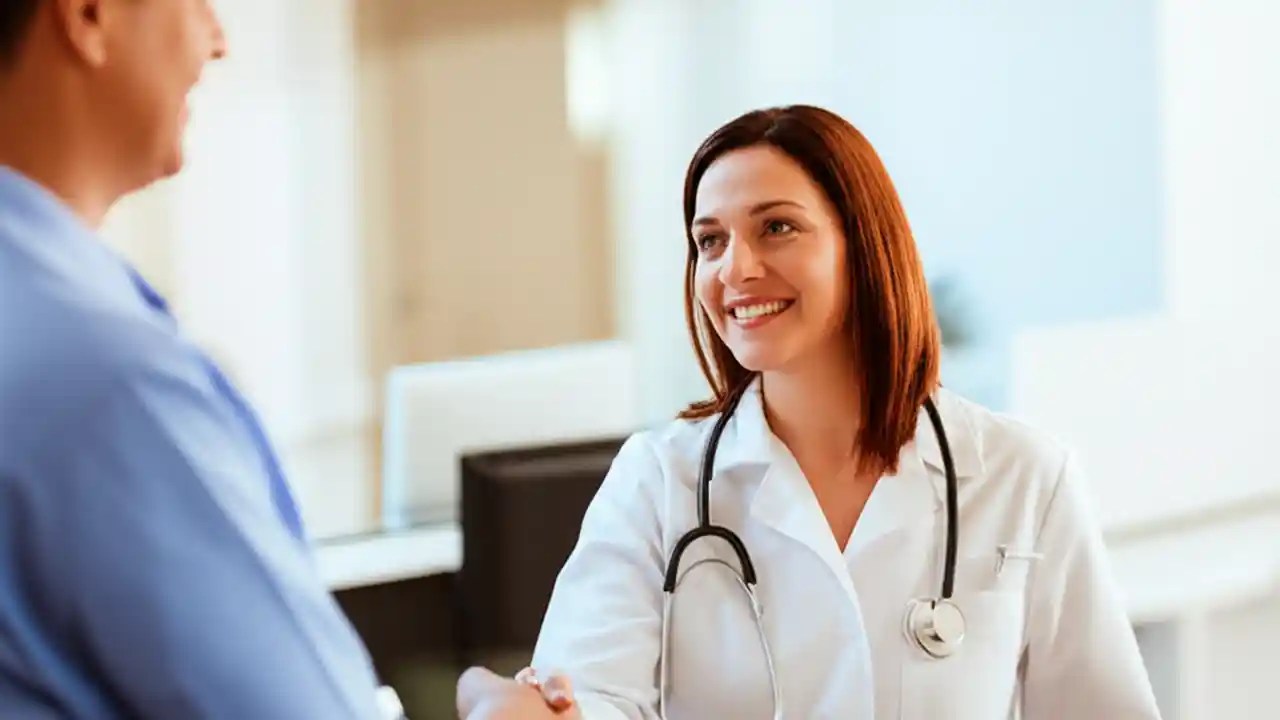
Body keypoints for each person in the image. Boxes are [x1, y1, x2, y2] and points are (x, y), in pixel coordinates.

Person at [519, 105, 1163, 718]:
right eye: (710, 241)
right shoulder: (659, 483)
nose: (734, 268)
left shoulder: (1024, 476)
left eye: (777, 227)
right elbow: (588, 694)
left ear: (864, 245)